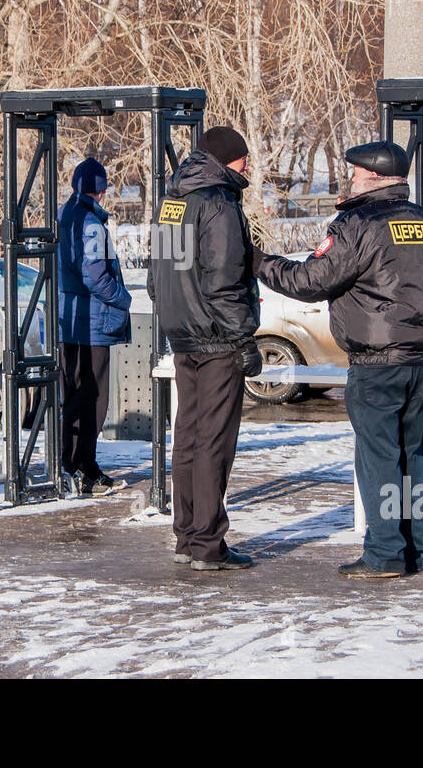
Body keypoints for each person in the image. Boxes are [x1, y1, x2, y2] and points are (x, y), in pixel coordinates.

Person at [258, 141, 423, 579]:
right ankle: (412, 545)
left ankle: (385, 552)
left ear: (371, 177)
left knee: (379, 457)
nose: (348, 181)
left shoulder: (356, 224)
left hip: (376, 362)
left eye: (353, 174)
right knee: (414, 455)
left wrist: (259, 261)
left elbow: (311, 279)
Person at [148, 126, 261, 571]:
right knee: (214, 440)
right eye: (243, 158)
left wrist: (179, 316)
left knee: (189, 437)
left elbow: (159, 275)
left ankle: (187, 533)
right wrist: (242, 338)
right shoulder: (219, 203)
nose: (248, 165)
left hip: (182, 334)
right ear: (225, 161)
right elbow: (225, 280)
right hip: (216, 339)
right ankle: (208, 544)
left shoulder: (172, 201)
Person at [58, 157, 132, 495]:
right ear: (100, 190)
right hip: (92, 323)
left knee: (74, 395)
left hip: (68, 321)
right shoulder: (91, 223)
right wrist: (122, 298)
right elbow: (96, 276)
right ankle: (79, 467)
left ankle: (76, 464)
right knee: (93, 398)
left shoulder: (63, 215)